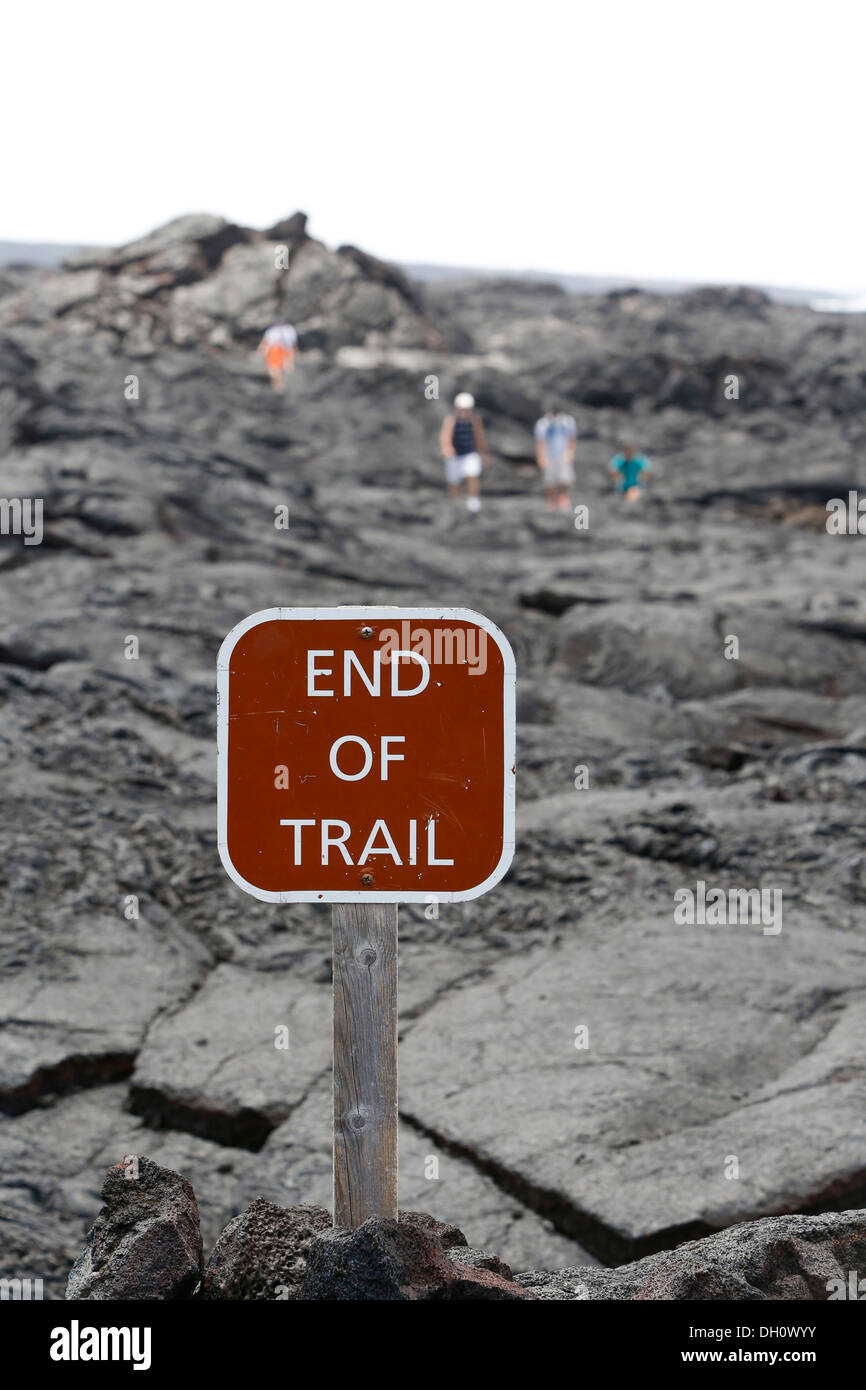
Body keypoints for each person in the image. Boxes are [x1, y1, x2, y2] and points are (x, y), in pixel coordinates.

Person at [439, 392, 489, 512]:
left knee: (472, 475)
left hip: (470, 453)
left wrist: (483, 454)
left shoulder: (474, 421)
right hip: (455, 456)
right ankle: (455, 502)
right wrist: (447, 448)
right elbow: (445, 436)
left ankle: (473, 500)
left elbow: (479, 437)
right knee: (454, 481)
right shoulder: (451, 420)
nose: (464, 412)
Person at [534, 405, 577, 511]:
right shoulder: (543, 423)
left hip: (563, 455)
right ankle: (550, 502)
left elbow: (572, 437)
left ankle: (562, 499)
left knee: (565, 479)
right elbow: (540, 441)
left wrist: (571, 452)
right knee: (549, 481)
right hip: (549, 455)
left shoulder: (568, 421)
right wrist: (541, 456)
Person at [257, 323, 298, 390]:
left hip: (280, 350)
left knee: (277, 369)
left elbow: (293, 344)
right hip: (275, 350)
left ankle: (278, 384)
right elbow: (266, 342)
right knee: (275, 369)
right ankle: (278, 384)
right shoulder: (274, 330)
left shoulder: (288, 329)